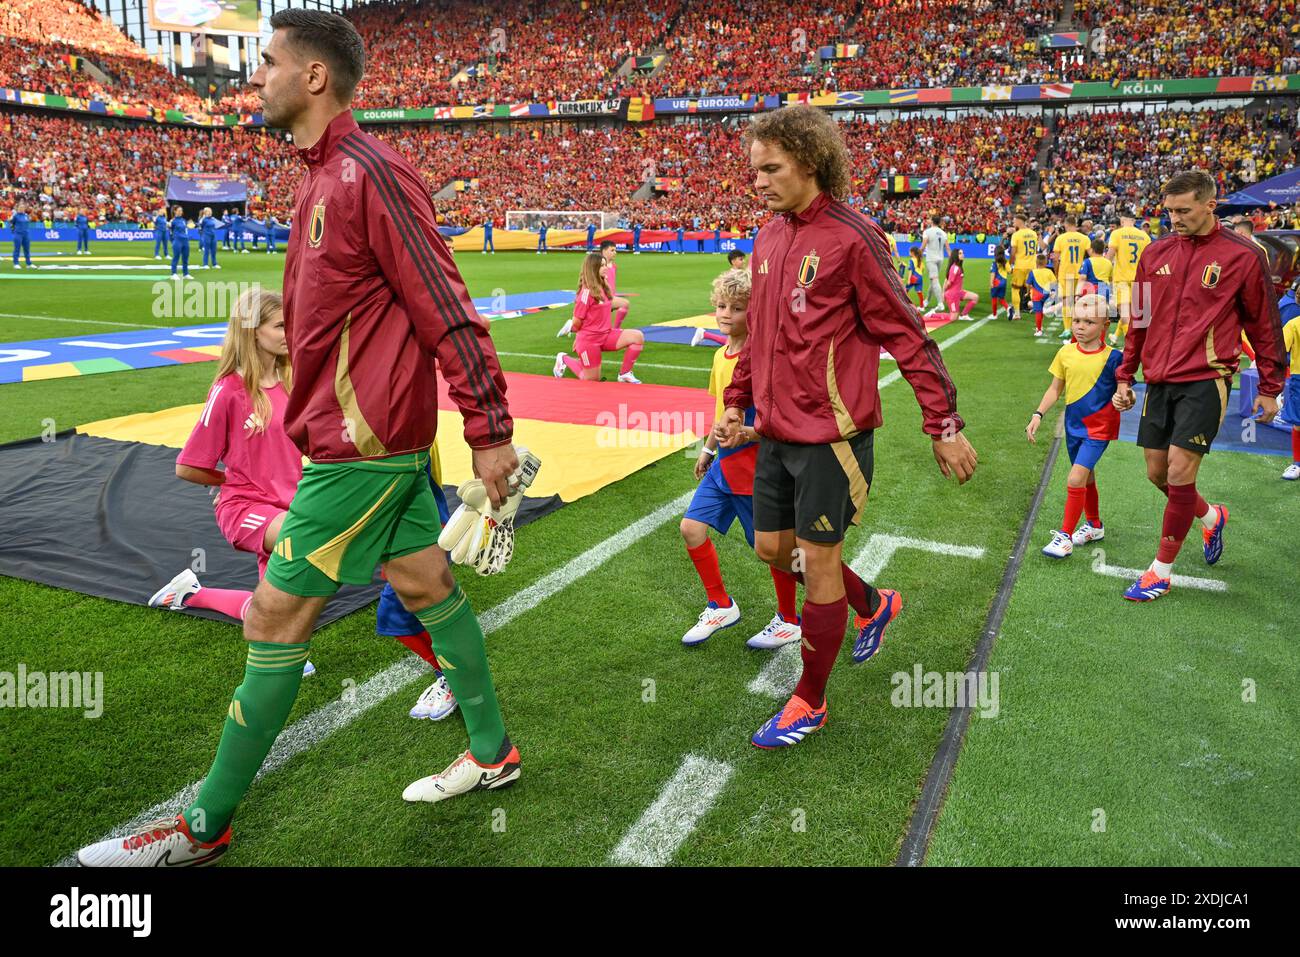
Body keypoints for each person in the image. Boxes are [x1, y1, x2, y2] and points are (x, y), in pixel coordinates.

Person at [77, 9, 522, 867]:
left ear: (313, 77)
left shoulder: (369, 174)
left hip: (363, 453)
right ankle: (494, 748)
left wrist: (490, 427)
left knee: (275, 619)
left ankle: (201, 828)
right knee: (427, 583)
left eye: (267, 62)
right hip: (356, 446)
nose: (255, 76)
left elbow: (446, 301)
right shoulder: (320, 178)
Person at [716, 105, 976, 750]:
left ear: (810, 162)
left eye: (770, 168)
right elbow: (760, 335)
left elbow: (909, 337)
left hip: (832, 440)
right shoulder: (769, 236)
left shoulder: (855, 238)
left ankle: (810, 700)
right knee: (774, 552)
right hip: (773, 433)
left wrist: (942, 423)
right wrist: (738, 400)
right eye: (754, 170)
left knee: (820, 563)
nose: (759, 181)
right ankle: (875, 604)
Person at [1111, 170, 1287, 602]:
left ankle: (1159, 571)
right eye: (1169, 211)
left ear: (1211, 205)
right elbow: (1138, 318)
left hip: (1207, 378)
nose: (1174, 218)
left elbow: (1263, 322)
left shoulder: (1244, 255)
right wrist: (1125, 373)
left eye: (1183, 210)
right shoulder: (1155, 252)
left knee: (1178, 471)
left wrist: (1270, 385)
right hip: (1158, 380)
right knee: (1157, 474)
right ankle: (1210, 517)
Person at [681, 268, 802, 650]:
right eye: (721, 306)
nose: (726, 314)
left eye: (736, 307)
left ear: (755, 312)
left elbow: (779, 417)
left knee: (774, 553)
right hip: (723, 468)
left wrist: (749, 435)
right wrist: (707, 449)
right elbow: (722, 410)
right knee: (691, 528)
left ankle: (790, 619)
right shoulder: (720, 355)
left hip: (756, 471)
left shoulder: (765, 359)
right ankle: (720, 605)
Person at [1025, 294, 1120, 558]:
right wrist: (1038, 414)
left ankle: (1064, 537)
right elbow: (1055, 389)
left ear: (1105, 326)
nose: (1080, 326)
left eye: (1089, 322)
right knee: (1086, 478)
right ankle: (1094, 526)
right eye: (1076, 320)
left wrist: (1126, 398)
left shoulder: (1114, 358)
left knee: (1075, 478)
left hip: (1098, 430)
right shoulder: (1065, 352)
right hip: (1073, 428)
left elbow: (1127, 391)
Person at [553, 251, 643, 383]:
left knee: (637, 337)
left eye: (605, 264)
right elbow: (578, 321)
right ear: (593, 269)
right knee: (591, 380)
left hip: (606, 335)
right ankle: (564, 359)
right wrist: (577, 338)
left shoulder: (603, 286)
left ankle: (624, 374)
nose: (606, 267)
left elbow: (608, 306)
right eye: (602, 266)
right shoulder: (586, 293)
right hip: (589, 341)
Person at [1105, 210, 1150, 347]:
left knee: (1125, 315)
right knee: (1136, 316)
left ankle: (1131, 346)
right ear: (1134, 221)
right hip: (1140, 279)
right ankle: (1134, 343)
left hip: (1122, 279)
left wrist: (1104, 274)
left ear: (1122, 221)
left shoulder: (1117, 233)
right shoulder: (1144, 236)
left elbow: (1110, 256)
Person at [1052, 216, 1090, 327]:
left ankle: (1067, 329)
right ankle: (1080, 327)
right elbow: (1091, 255)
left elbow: (1055, 259)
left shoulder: (1061, 238)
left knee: (1066, 302)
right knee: (1079, 302)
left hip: (1065, 273)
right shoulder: (1085, 238)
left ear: (1066, 224)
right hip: (1080, 274)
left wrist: (1056, 272)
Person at [1280, 284, 1300, 480]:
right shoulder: (1293, 324)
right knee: (1298, 424)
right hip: (1298, 379)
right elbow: (1279, 350)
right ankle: (1297, 463)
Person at [1009, 213, 1039, 322]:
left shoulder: (1016, 235)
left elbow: (1013, 253)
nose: (1013, 223)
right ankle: (1037, 308)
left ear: (1019, 221)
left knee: (1015, 289)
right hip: (1032, 265)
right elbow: (1035, 250)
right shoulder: (1033, 234)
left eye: (1014, 221)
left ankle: (1017, 313)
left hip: (1020, 266)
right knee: (1032, 288)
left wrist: (1010, 264)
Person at [920, 213, 949, 315]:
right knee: (933, 280)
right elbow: (947, 247)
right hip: (940, 258)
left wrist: (918, 255)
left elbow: (923, 245)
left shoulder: (927, 231)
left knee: (935, 280)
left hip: (931, 259)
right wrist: (952, 258)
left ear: (932, 221)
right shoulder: (943, 233)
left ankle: (940, 303)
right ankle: (927, 300)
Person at [942, 247, 978, 321]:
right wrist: (943, 293)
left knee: (975, 297)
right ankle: (932, 314)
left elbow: (947, 279)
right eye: (960, 253)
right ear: (956, 256)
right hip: (952, 295)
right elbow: (948, 282)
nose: (962, 255)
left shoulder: (958, 267)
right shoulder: (955, 268)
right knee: (953, 318)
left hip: (958, 292)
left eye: (962, 253)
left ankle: (964, 315)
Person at [1027, 252, 1057, 337]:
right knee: (1042, 311)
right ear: (1046, 262)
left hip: (1037, 295)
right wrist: (1053, 291)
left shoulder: (1032, 272)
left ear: (1036, 262)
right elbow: (1054, 283)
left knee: (1038, 312)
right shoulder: (1049, 271)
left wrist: (1027, 292)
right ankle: (1040, 326)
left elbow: (1028, 284)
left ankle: (1039, 330)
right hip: (1047, 294)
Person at [1077, 237, 1112, 305]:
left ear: (1092, 250)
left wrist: (1078, 294)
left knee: (1090, 312)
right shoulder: (1108, 263)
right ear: (1103, 250)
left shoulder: (1087, 262)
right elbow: (1110, 279)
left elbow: (1082, 278)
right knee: (1103, 312)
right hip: (1105, 288)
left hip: (1092, 288)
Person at [169, 205, 191, 279]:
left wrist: (187, 238)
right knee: (176, 257)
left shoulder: (183, 220)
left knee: (185, 258)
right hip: (177, 241)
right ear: (175, 211)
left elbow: (185, 231)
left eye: (181, 210)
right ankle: (173, 273)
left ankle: (186, 274)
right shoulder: (172, 221)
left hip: (185, 241)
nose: (180, 212)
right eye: (179, 210)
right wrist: (173, 241)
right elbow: (170, 233)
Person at [990, 246, 1010, 318]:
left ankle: (994, 315)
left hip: (996, 282)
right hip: (1004, 282)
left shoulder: (994, 263)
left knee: (994, 298)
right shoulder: (1006, 262)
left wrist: (991, 282)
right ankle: (1008, 308)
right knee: (1001, 298)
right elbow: (1010, 271)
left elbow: (993, 273)